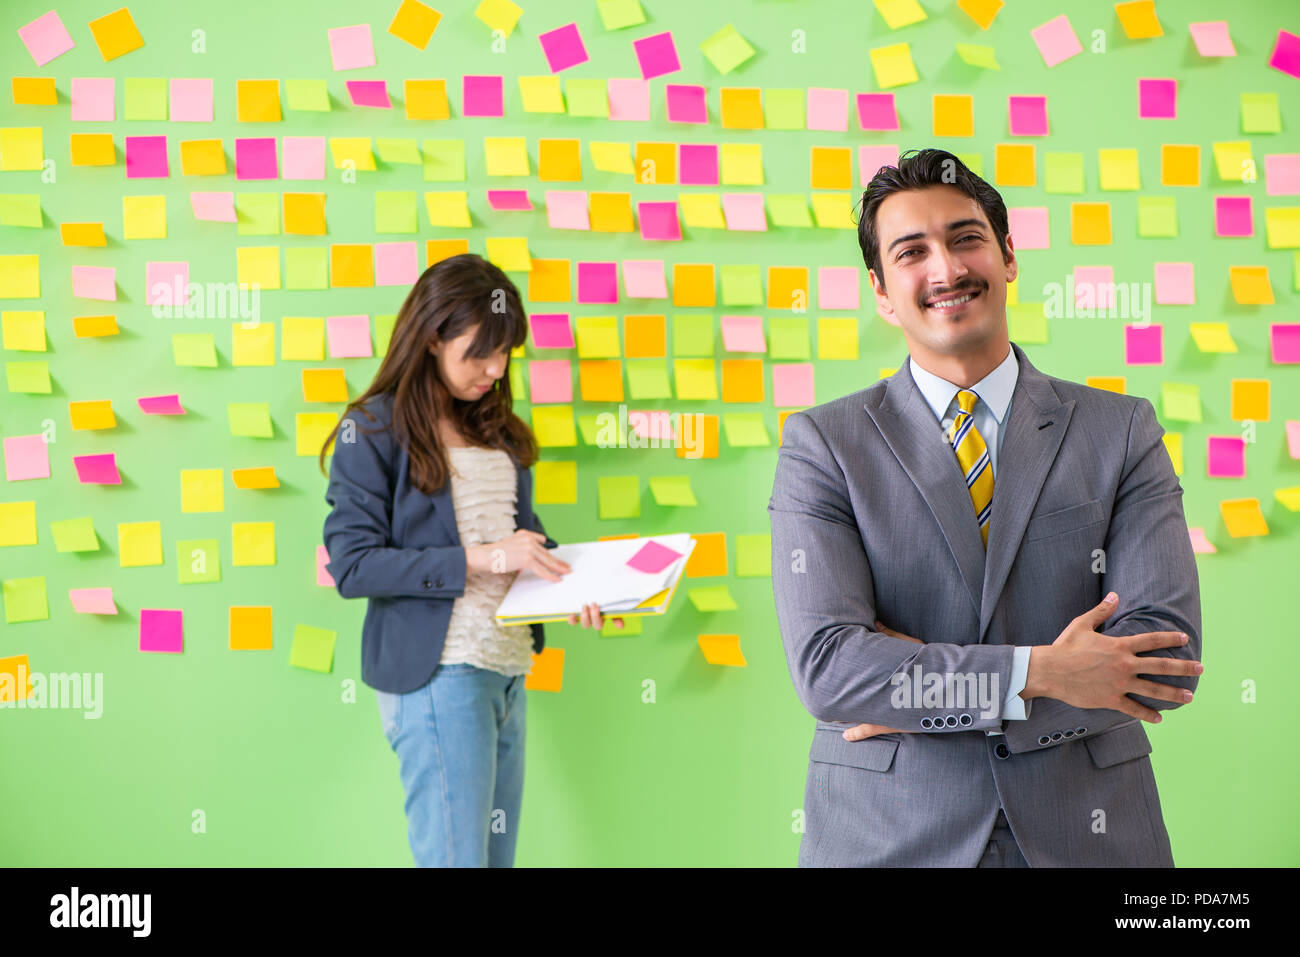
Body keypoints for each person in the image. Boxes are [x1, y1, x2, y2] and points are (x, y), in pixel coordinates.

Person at [768, 148, 1204, 867]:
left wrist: (916, 685)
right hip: (891, 834)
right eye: (913, 252)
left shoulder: (1120, 429)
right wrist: (1037, 669)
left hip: (1088, 833)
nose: (946, 269)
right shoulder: (825, 444)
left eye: (966, 238)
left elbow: (1164, 660)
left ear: (1007, 256)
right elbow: (832, 670)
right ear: (881, 290)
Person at [319, 253, 622, 867]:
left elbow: (527, 546)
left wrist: (587, 591)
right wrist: (482, 558)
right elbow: (351, 566)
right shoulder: (372, 429)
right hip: (439, 672)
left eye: (505, 351)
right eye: (479, 353)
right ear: (432, 338)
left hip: (506, 670)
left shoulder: (498, 429)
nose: (495, 369)